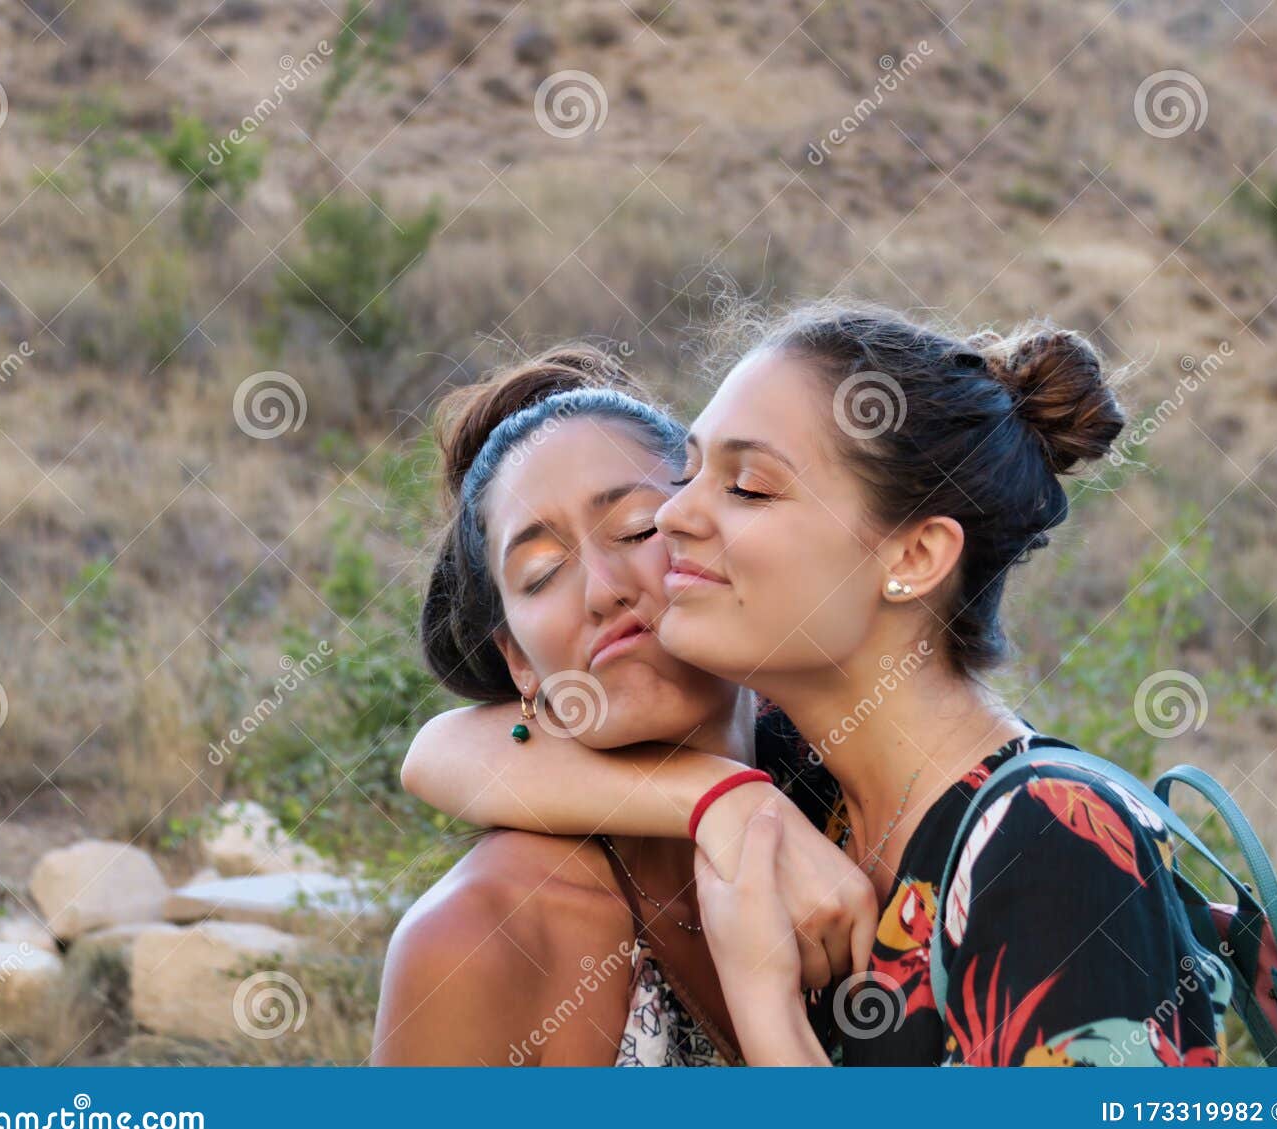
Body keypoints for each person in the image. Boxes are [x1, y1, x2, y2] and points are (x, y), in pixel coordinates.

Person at [406, 305, 1233, 1066]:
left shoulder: (1046, 840)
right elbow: (448, 749)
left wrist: (768, 1013)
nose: (674, 520)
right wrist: (724, 800)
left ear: (914, 556)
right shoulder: (809, 784)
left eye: (747, 487)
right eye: (689, 476)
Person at [370, 348, 871, 1066]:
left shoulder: (851, 787)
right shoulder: (483, 938)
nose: (602, 590)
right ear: (519, 662)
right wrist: (724, 799)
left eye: (638, 529)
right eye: (541, 573)